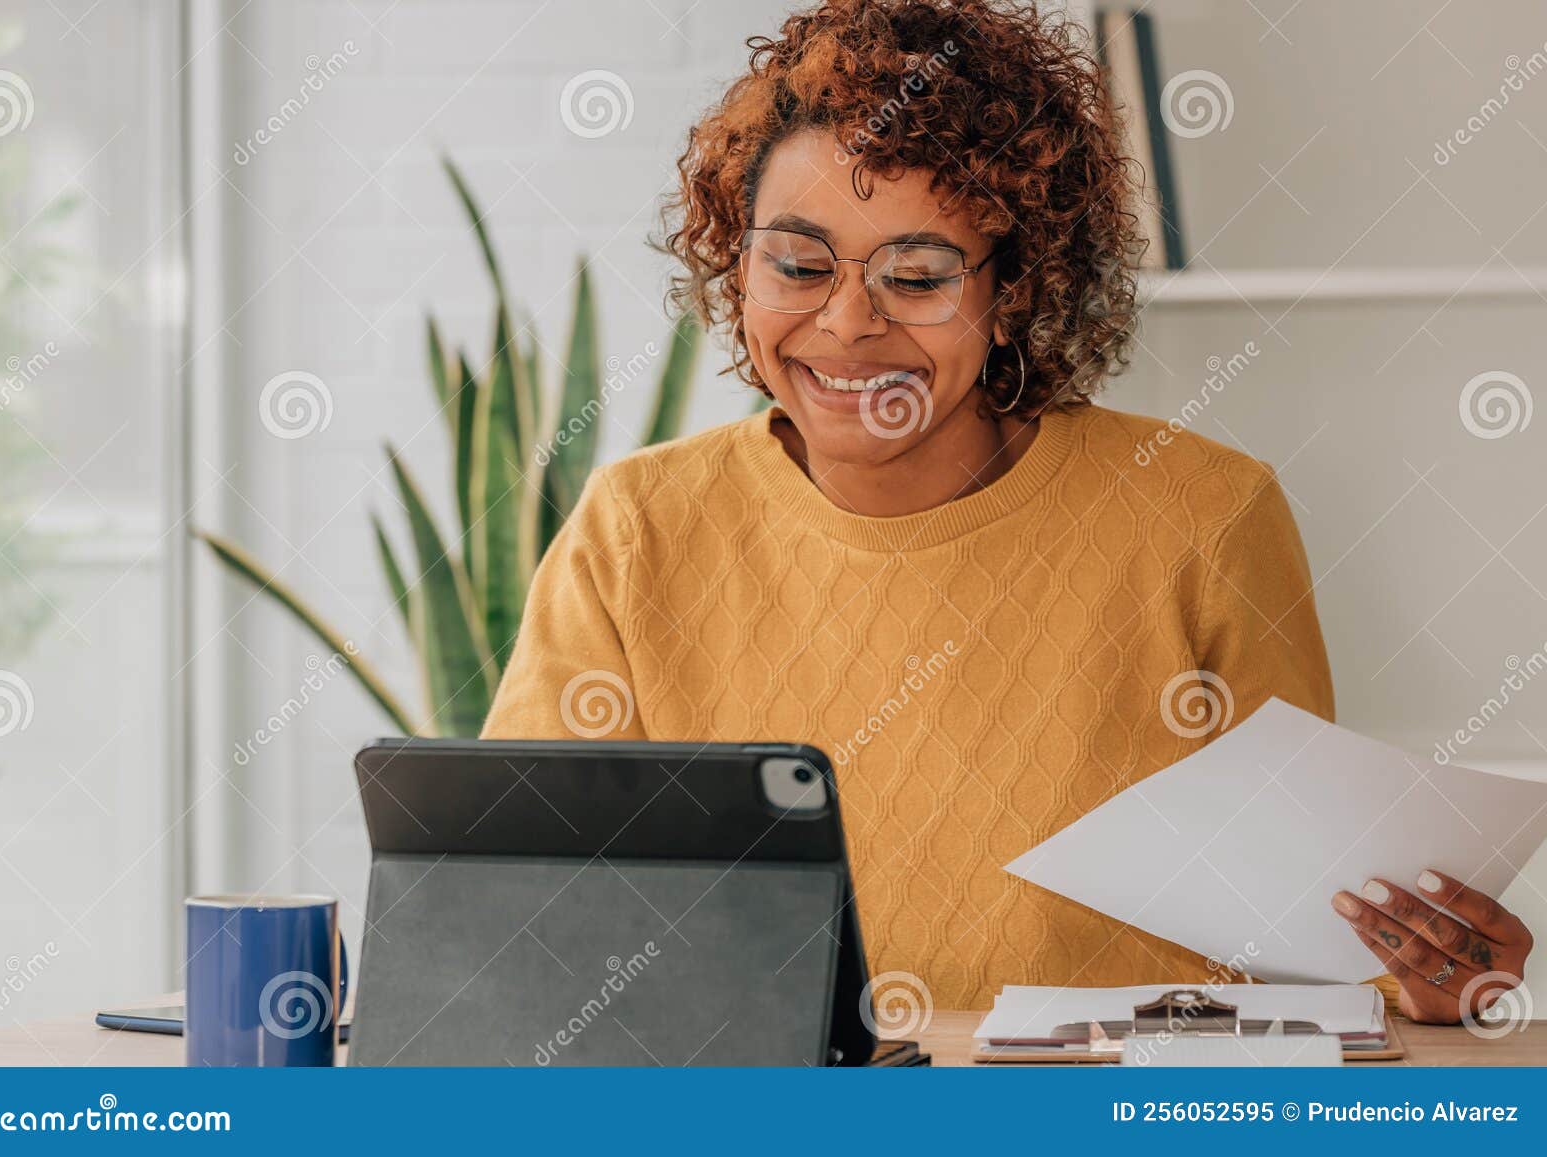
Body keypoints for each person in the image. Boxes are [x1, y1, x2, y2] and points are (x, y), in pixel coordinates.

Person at [481, 0, 1533, 1020]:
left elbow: (1323, 929)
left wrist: (1430, 976)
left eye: (920, 274)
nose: (847, 323)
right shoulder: (637, 528)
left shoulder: (1202, 512)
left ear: (1013, 292)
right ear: (736, 264)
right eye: (797, 265)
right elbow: (515, 907)